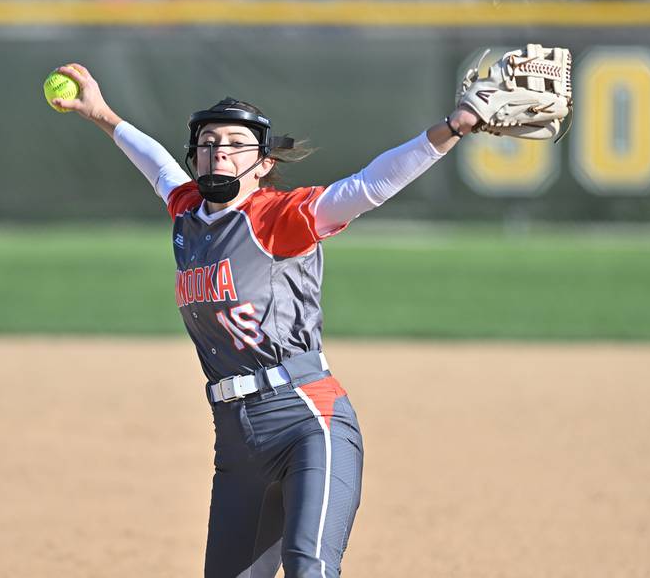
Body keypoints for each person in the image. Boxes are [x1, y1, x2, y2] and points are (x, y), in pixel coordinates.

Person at [51, 63, 480, 578]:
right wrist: (101, 115)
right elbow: (157, 165)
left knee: (309, 566)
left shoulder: (280, 217)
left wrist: (453, 127)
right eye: (209, 141)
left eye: (235, 143)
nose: (219, 151)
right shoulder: (189, 211)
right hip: (235, 438)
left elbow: (371, 185)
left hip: (307, 420)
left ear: (262, 162)